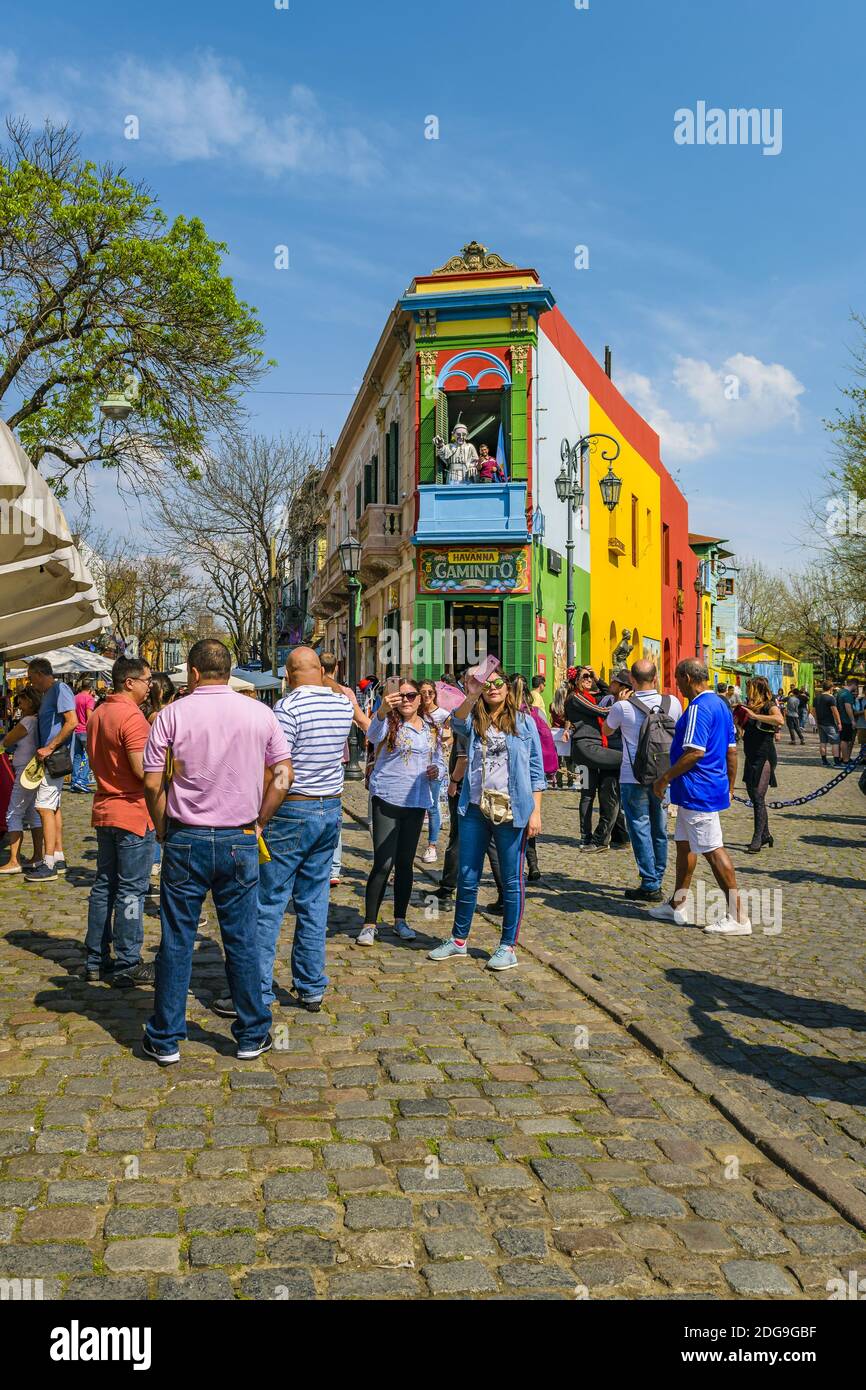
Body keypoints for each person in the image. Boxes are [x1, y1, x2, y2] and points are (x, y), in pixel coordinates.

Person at [141, 639, 292, 1064]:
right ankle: (251, 1032)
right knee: (241, 938)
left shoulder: (171, 713)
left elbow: (152, 784)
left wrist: (161, 827)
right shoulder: (259, 713)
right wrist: (260, 821)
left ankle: (166, 1036)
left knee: (176, 937)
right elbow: (283, 774)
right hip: (239, 838)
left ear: (192, 673)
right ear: (229, 672)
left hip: (186, 837)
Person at [213, 647, 356, 1019]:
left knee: (269, 902)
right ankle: (311, 986)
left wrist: (260, 815)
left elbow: (279, 769)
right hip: (330, 808)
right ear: (321, 671)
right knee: (314, 902)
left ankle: (257, 990)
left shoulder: (287, 709)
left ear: (289, 676)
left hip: (293, 808)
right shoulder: (342, 704)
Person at [428, 668, 544, 971]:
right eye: (487, 685)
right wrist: (473, 691)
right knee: (467, 875)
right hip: (475, 809)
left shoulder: (524, 722)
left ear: (507, 688)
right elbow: (455, 720)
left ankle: (508, 946)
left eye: (497, 684)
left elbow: (536, 772)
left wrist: (536, 811)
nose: (492, 689)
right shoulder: (474, 720)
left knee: (510, 880)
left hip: (512, 809)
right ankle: (458, 940)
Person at [649, 658, 752, 936]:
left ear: (685, 677)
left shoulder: (697, 708)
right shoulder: (721, 704)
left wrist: (664, 778)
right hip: (704, 788)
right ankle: (677, 904)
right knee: (685, 845)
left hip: (697, 790)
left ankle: (738, 916)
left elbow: (694, 752)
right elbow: (731, 751)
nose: (678, 684)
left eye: (677, 678)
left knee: (712, 849)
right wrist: (729, 785)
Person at [84, 657, 157, 985]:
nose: (150, 685)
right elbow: (142, 771)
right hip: (132, 811)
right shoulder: (132, 716)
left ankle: (95, 958)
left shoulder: (98, 713)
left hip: (105, 808)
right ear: (129, 682)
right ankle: (128, 960)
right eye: (146, 680)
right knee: (131, 891)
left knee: (103, 887)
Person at [359, 678, 447, 945]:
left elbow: (440, 759)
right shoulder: (388, 722)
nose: (407, 700)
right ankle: (369, 924)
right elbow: (372, 735)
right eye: (403, 696)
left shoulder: (432, 728)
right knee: (384, 863)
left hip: (417, 801)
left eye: (412, 695)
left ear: (421, 699)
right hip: (387, 798)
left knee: (406, 865)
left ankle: (400, 919)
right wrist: (383, 710)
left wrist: (438, 771)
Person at [603, 658, 682, 902]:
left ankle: (650, 883)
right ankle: (657, 876)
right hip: (663, 774)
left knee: (639, 827)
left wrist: (620, 703)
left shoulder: (622, 707)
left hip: (632, 775)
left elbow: (606, 731)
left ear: (632, 681)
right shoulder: (673, 703)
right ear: (656, 678)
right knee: (660, 827)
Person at [23, 657, 76, 881]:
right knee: (53, 807)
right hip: (52, 758)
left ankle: (48, 863)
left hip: (54, 757)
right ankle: (57, 856)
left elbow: (71, 721)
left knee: (43, 807)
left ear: (39, 673)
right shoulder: (49, 694)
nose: (30, 682)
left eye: (31, 677)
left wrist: (50, 747)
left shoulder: (59, 688)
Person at [319, 651, 370, 885]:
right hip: (338, 759)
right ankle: (334, 868)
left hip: (313, 758)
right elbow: (361, 722)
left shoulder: (312, 690)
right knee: (334, 812)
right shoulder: (345, 693)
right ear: (337, 668)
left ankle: (320, 865)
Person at [567, 667, 628, 850]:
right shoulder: (575, 697)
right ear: (575, 680)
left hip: (595, 748)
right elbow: (601, 710)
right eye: (584, 677)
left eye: (589, 677)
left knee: (599, 792)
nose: (588, 680)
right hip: (587, 749)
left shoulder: (588, 695)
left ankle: (614, 834)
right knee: (587, 794)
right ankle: (586, 836)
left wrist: (597, 677)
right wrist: (621, 705)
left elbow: (606, 692)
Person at [513, 674, 556, 881]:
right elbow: (546, 738)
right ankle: (533, 864)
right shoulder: (536, 712)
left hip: (517, 778)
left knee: (515, 826)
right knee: (529, 823)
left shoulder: (513, 717)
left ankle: (518, 867)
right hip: (532, 778)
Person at [0, 686, 45, 874]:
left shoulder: (27, 721)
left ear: (31, 701)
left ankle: (14, 860)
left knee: (14, 813)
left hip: (24, 771)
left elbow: (8, 740)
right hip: (33, 770)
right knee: (33, 814)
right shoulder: (39, 720)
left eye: (22, 700)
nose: (19, 702)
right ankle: (37, 856)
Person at [738, 676, 783, 853]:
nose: (747, 691)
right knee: (753, 795)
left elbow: (779, 720)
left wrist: (755, 716)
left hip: (764, 756)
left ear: (757, 689)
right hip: (750, 755)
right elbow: (743, 729)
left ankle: (757, 839)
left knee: (758, 797)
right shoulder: (750, 706)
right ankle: (765, 834)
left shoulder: (769, 705)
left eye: (749, 688)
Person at [419, 679, 451, 863]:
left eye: (430, 692)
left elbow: (452, 736)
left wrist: (444, 742)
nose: (427, 696)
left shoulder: (443, 715)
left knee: (432, 806)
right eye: (423, 693)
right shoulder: (414, 713)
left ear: (434, 694)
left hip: (435, 763)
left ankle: (432, 845)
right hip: (414, 765)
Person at [70, 679, 96, 792]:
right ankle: (82, 780)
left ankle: (75, 780)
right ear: (90, 688)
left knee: (77, 756)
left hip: (76, 730)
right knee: (92, 756)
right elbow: (89, 716)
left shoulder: (75, 697)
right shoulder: (89, 699)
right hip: (85, 730)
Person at [549, 679, 573, 788]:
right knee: (569, 760)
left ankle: (558, 783)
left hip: (555, 733)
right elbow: (568, 721)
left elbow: (551, 720)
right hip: (565, 733)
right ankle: (570, 782)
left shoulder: (552, 706)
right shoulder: (567, 708)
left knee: (557, 759)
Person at [813, 681, 841, 767]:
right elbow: (835, 711)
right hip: (829, 723)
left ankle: (824, 761)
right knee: (835, 742)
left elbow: (813, 711)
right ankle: (836, 762)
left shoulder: (816, 698)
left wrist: (817, 721)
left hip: (820, 723)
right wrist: (839, 723)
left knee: (823, 742)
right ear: (831, 688)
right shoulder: (831, 698)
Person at [835, 679, 857, 763]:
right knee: (845, 740)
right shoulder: (847, 694)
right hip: (846, 720)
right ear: (854, 685)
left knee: (841, 739)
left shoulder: (840, 692)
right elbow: (848, 707)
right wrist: (852, 720)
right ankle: (845, 759)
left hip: (840, 719)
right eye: (856, 686)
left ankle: (842, 757)